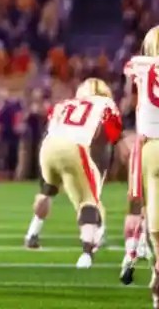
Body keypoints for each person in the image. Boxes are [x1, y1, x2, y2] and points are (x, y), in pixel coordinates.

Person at [29, 77, 122, 268]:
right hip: (75, 147)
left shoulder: (64, 103)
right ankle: (87, 254)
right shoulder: (106, 104)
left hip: (48, 146)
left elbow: (51, 124)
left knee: (48, 190)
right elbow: (111, 139)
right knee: (88, 200)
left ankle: (32, 233)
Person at [123, 25, 159, 295]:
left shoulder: (140, 66)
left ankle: (143, 257)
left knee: (144, 209)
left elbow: (133, 105)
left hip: (149, 143)